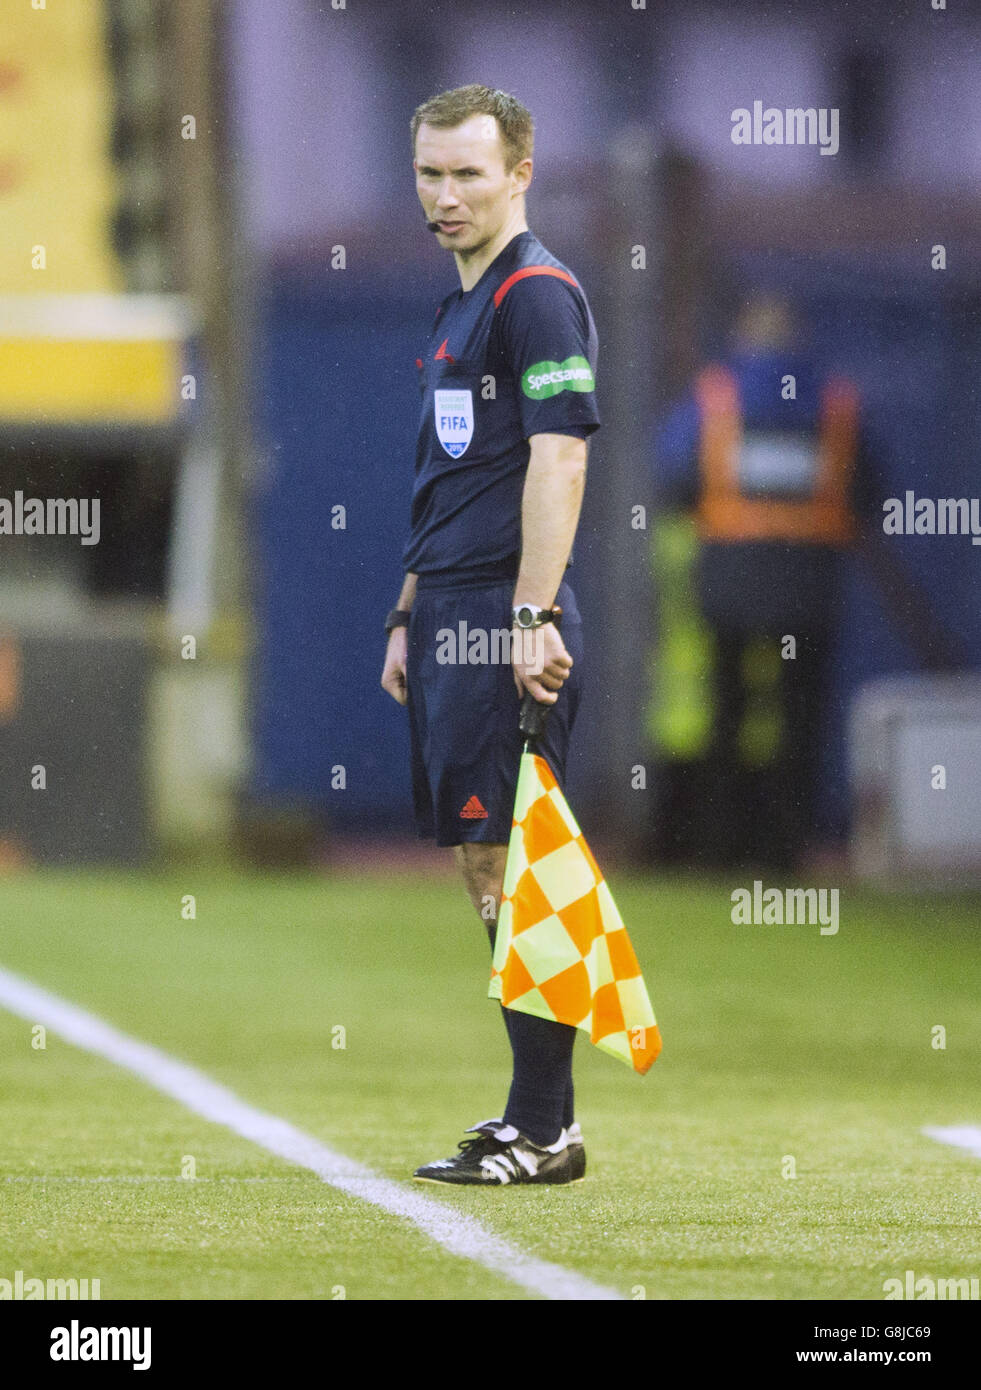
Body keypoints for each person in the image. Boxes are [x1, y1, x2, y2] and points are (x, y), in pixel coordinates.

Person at [380, 85, 600, 1185]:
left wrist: (529, 613)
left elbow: (561, 459)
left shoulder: (537, 297)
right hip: (455, 610)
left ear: (520, 172)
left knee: (520, 866)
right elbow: (454, 475)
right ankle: (536, 1114)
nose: (445, 195)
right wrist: (411, 608)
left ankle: (545, 1125)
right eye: (429, 173)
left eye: (467, 173)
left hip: (508, 616)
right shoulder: (456, 304)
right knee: (487, 859)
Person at [654, 293, 871, 869]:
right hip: (810, 585)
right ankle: (783, 851)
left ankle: (720, 846)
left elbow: (674, 476)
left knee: (728, 714)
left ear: (742, 335)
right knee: (800, 721)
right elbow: (868, 485)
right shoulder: (836, 398)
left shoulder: (716, 394)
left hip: (730, 581)